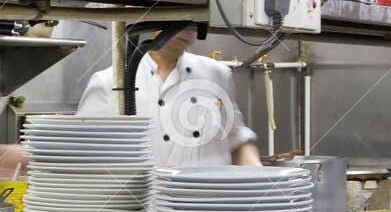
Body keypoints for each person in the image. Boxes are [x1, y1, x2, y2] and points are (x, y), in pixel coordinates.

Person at [75, 28, 261, 166]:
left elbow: (237, 142)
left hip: (210, 209)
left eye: (192, 21)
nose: (187, 29)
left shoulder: (218, 74)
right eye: (178, 18)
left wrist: (260, 183)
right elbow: (84, 157)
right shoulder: (109, 82)